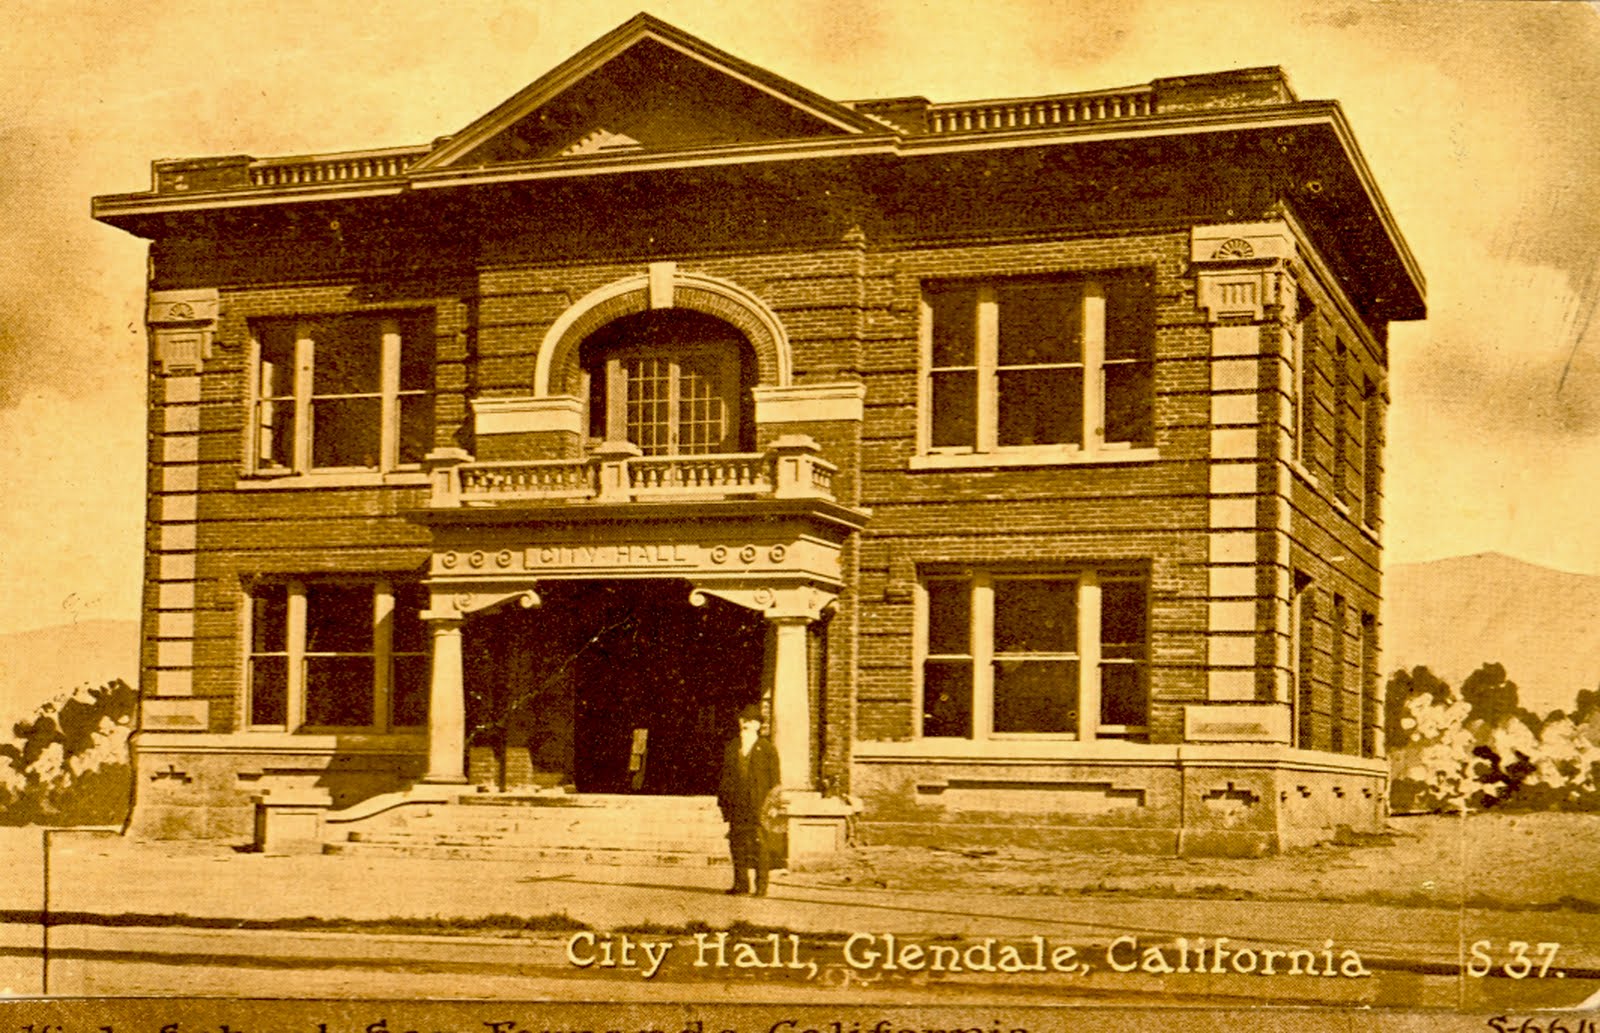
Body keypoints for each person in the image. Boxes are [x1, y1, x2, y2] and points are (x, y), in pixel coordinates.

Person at [716, 703, 780, 896]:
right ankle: (741, 884)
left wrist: (773, 806)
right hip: (737, 804)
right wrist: (724, 802)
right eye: (743, 720)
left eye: (751, 721)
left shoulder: (767, 749)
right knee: (737, 844)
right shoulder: (732, 747)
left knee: (760, 845)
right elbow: (725, 776)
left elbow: (775, 781)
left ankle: (761, 887)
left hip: (759, 805)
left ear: (758, 726)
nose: (745, 724)